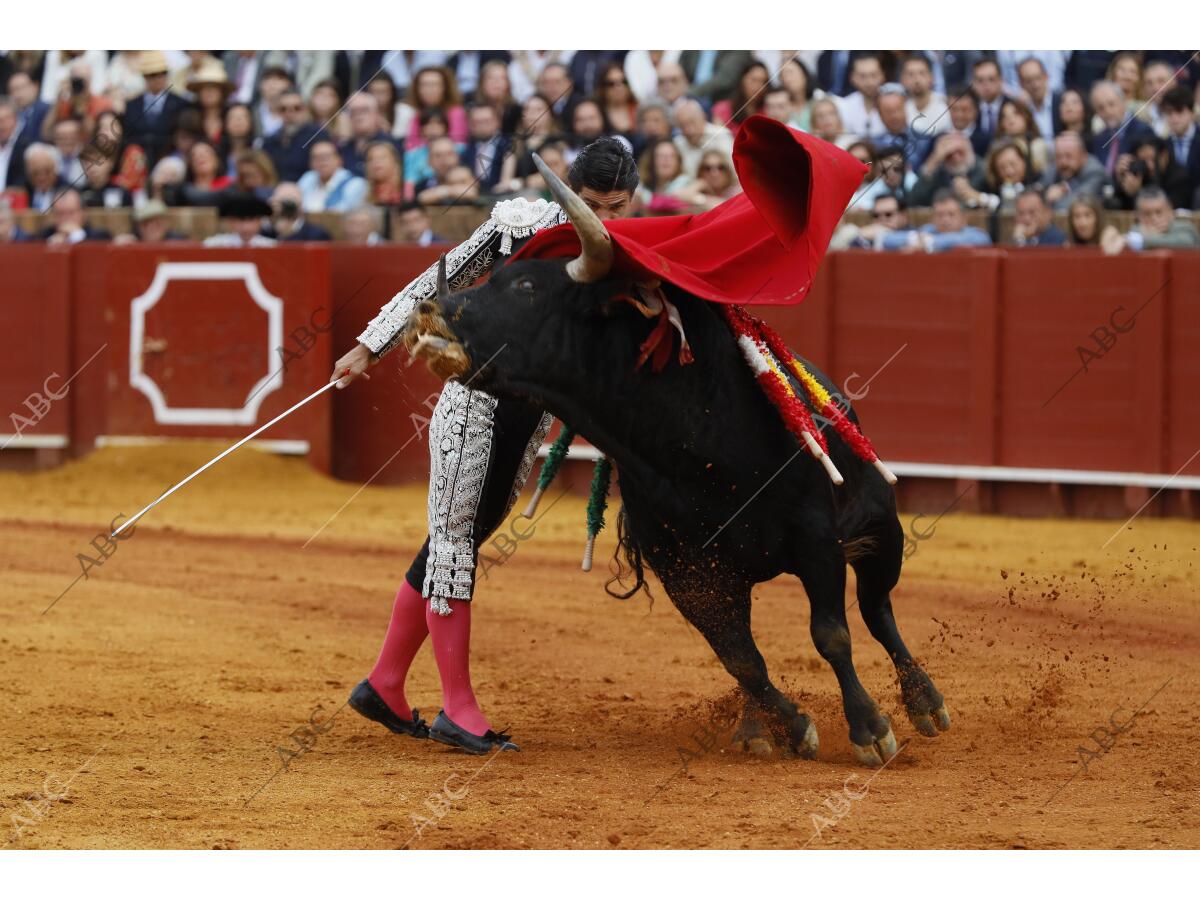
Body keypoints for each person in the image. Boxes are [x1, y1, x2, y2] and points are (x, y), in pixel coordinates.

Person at [332, 137, 638, 755]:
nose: (601, 217)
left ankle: (385, 684)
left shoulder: (628, 253)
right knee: (453, 545)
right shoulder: (518, 226)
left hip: (529, 417)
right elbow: (434, 281)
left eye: (616, 204)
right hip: (475, 399)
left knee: (462, 539)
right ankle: (457, 708)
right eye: (590, 202)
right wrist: (370, 345)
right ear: (565, 193)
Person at [879, 189, 991, 253]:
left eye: (951, 214)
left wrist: (928, 243)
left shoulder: (975, 234)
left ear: (964, 218)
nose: (945, 219)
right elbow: (889, 240)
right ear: (932, 218)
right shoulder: (929, 230)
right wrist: (915, 240)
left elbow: (982, 240)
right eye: (940, 215)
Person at [1100, 186, 1200, 254]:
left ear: (1170, 212)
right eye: (1147, 214)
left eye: (1159, 212)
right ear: (1138, 216)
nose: (1154, 218)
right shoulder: (1135, 230)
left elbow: (1186, 242)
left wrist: (1145, 238)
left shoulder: (1185, 227)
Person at [1041, 132, 1107, 212]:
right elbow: (1038, 190)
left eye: (1068, 156)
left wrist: (1048, 202)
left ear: (1083, 155)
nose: (1063, 162)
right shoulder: (1055, 169)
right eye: (1058, 156)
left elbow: (1077, 203)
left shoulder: (1095, 172)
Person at [297, 139, 367, 212]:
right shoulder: (308, 178)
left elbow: (343, 212)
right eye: (316, 157)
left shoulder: (355, 184)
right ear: (310, 162)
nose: (322, 161)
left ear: (339, 159)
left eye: (326, 157)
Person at [673, 98, 733, 177]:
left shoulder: (721, 135)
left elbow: (733, 173)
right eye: (683, 126)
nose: (689, 130)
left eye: (692, 123)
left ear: (704, 117)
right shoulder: (678, 143)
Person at [38, 187, 112, 243]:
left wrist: (77, 235)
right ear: (53, 216)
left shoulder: (99, 237)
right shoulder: (45, 237)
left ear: (83, 213)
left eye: (71, 213)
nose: (66, 219)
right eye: (60, 214)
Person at [204, 191, 276, 247]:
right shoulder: (214, 245)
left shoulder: (272, 246)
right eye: (240, 220)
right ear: (231, 221)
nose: (246, 226)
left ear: (260, 221)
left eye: (251, 220)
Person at [264, 182, 332, 241]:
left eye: (290, 203)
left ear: (301, 206)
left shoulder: (317, 235)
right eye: (282, 202)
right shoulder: (262, 232)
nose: (286, 208)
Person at [113, 198, 188, 244]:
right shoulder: (131, 243)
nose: (151, 227)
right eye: (145, 223)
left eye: (157, 223)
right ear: (138, 227)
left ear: (166, 223)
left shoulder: (179, 241)